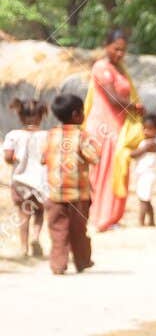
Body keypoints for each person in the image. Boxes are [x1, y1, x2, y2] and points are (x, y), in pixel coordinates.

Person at [86, 27, 143, 234]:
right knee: (103, 172)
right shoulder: (101, 67)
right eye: (115, 49)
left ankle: (113, 216)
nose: (119, 53)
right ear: (106, 46)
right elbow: (112, 98)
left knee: (118, 168)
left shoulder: (120, 69)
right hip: (103, 127)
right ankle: (100, 217)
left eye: (123, 50)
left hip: (118, 127)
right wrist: (135, 107)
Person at [40, 92, 99, 275]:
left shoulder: (50, 135)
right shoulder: (82, 136)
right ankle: (82, 261)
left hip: (55, 194)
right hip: (78, 195)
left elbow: (43, 159)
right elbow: (94, 157)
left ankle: (58, 265)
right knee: (78, 230)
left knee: (58, 231)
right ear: (76, 115)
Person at [5, 97, 49, 259]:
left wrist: (16, 159)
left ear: (20, 117)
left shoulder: (13, 135)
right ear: (41, 116)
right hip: (40, 182)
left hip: (20, 181)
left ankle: (23, 247)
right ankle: (36, 238)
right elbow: (48, 157)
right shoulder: (47, 136)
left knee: (24, 215)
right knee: (39, 213)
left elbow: (8, 157)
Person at [130, 114, 156, 227]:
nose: (145, 131)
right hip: (143, 174)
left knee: (143, 199)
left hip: (147, 175)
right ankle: (152, 221)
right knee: (145, 198)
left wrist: (127, 152)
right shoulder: (145, 142)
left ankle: (141, 221)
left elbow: (135, 154)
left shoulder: (151, 144)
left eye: (149, 129)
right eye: (144, 128)